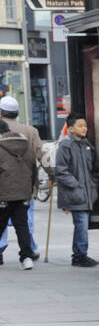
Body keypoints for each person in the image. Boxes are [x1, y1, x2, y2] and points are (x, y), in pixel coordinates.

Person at [54, 114, 99, 267]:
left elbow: (95, 168)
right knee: (81, 224)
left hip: (87, 193)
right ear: (71, 128)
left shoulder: (87, 144)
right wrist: (76, 185)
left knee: (82, 225)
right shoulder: (66, 145)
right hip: (75, 193)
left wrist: (93, 184)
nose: (84, 128)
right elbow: (61, 170)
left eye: (85, 125)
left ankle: (79, 254)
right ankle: (80, 255)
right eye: (80, 125)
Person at [0, 96, 41, 265]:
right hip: (24, 188)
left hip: (3, 190)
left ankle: (1, 249)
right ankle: (27, 253)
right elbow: (38, 157)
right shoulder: (30, 132)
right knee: (23, 223)